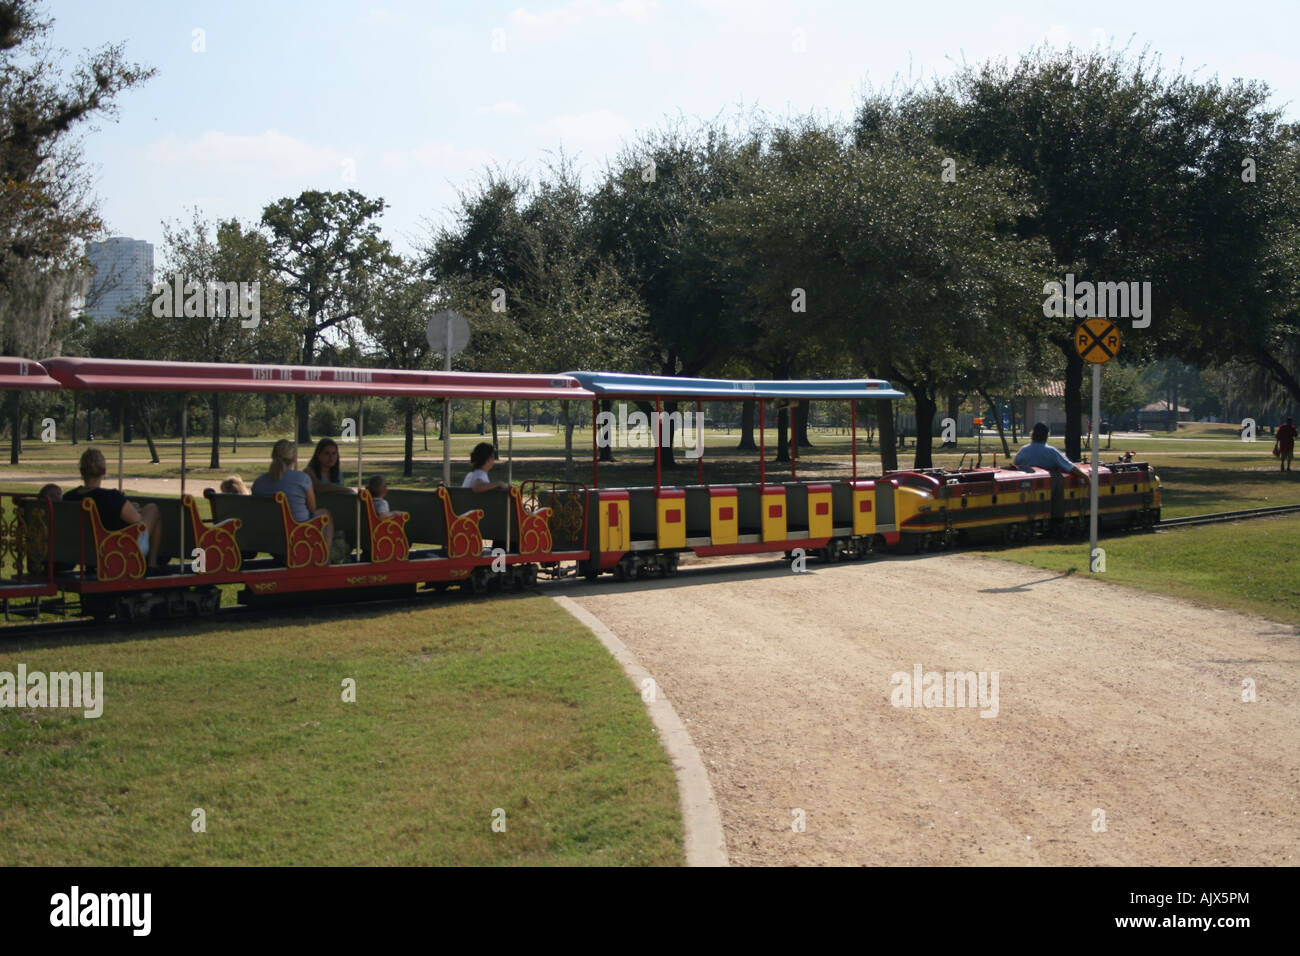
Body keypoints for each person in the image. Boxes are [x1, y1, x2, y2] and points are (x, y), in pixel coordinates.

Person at [63, 448, 162, 567]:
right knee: (153, 509)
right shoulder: (111, 497)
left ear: (81, 472)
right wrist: (133, 508)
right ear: (104, 472)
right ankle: (151, 564)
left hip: (83, 551)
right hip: (115, 551)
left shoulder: (68, 497)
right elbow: (137, 521)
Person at [251, 439, 334, 548]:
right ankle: (325, 556)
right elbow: (312, 508)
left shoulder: (259, 482)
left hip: (267, 532)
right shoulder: (302, 479)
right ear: (294, 459)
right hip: (297, 532)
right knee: (325, 513)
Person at [1013, 423, 1088, 478]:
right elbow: (1070, 467)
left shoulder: (1023, 451)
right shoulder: (1051, 451)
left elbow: (1015, 466)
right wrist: (1086, 477)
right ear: (1046, 435)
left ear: (1032, 434)